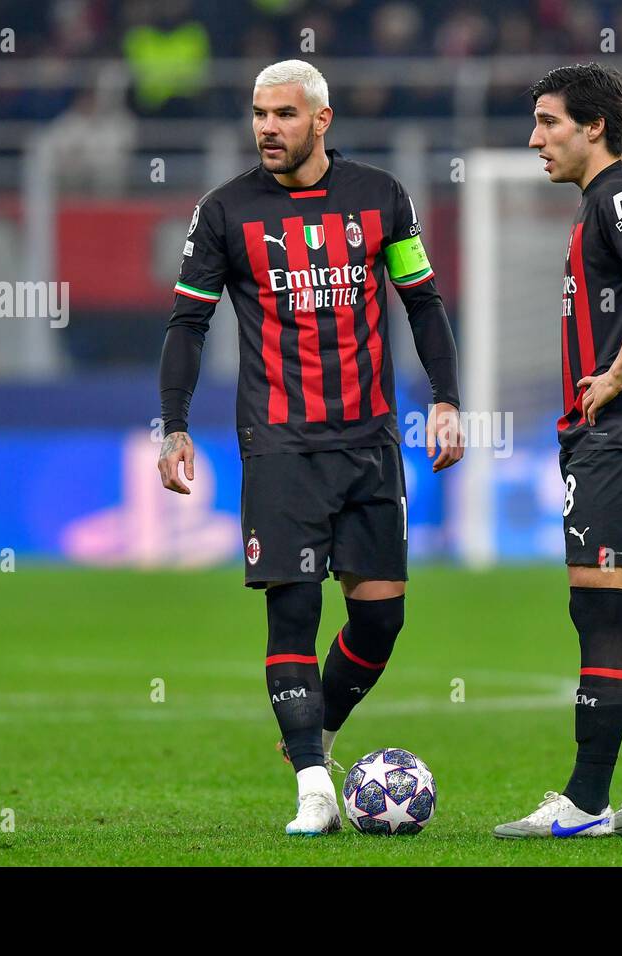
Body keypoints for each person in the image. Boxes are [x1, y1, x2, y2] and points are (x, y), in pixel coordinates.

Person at [156, 60, 463, 836]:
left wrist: (450, 400)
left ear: (321, 120)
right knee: (291, 617)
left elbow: (422, 303)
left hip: (369, 441)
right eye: (260, 114)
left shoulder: (381, 198)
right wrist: (175, 422)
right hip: (279, 445)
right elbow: (187, 325)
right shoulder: (225, 212)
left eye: (285, 115)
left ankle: (315, 736)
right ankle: (313, 786)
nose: (268, 128)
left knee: (380, 622)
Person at [495, 64, 622, 838]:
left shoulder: (618, 195)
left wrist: (615, 373)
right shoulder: (607, 200)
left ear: (594, 128)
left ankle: (583, 805)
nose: (536, 138)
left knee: (600, 606)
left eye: (549, 122)